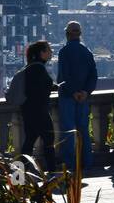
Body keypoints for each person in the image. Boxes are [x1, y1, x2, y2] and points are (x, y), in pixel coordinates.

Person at [57, 20, 97, 171]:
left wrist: (73, 92)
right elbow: (93, 75)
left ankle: (70, 164)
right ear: (80, 34)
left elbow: (63, 76)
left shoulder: (64, 51)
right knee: (83, 130)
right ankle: (86, 162)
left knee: (68, 130)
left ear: (67, 33)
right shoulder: (87, 51)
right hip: (83, 97)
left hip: (68, 97)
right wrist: (85, 92)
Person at [21, 39, 58, 173]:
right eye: (48, 50)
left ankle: (18, 177)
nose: (51, 52)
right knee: (49, 142)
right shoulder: (38, 68)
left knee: (28, 144)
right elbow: (42, 88)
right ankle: (53, 173)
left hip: (29, 111)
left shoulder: (31, 67)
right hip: (39, 111)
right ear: (42, 53)